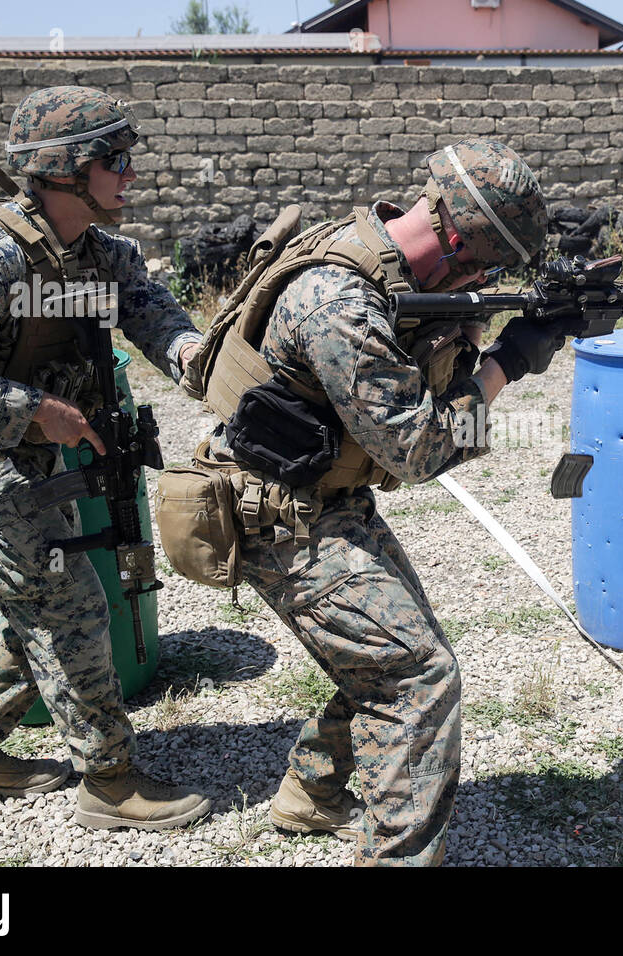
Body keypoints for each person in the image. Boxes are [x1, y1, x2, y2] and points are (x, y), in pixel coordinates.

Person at [198, 140, 565, 864]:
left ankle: (311, 794)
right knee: (417, 675)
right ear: (454, 238)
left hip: (323, 495)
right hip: (277, 514)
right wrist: (505, 364)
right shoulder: (340, 300)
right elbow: (420, 448)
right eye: (485, 267)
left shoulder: (381, 260)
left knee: (393, 653)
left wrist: (465, 335)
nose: (486, 281)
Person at [0, 86, 211, 830]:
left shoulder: (100, 254)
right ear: (68, 170)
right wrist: (35, 411)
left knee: (38, 607)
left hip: (40, 467)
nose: (130, 176)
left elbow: (155, 317)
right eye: (116, 161)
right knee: (69, 607)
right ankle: (109, 783)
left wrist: (207, 362)